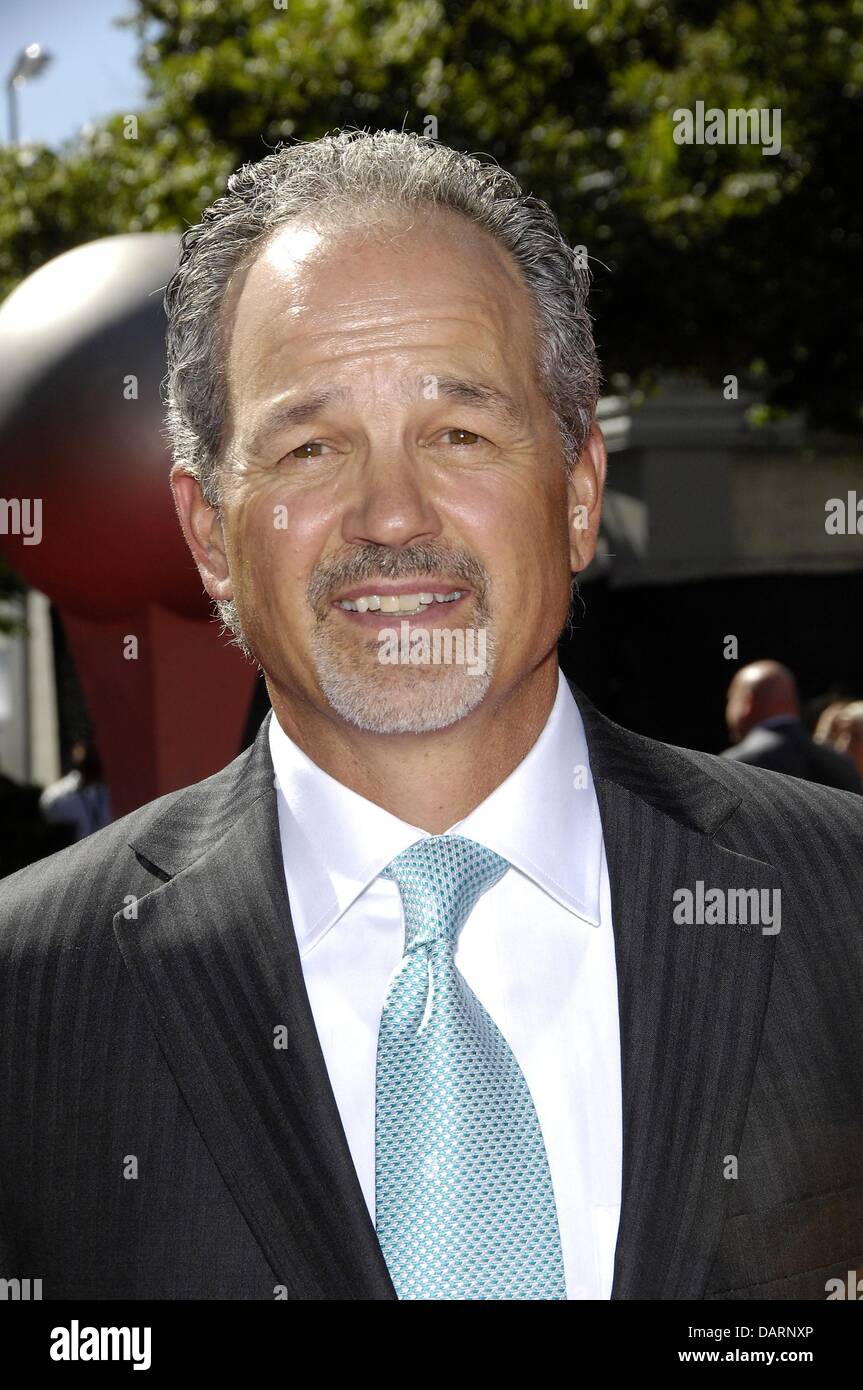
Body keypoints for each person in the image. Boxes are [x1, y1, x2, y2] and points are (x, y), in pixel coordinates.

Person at [0, 131, 861, 1302]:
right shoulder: (29, 987)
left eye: (458, 432)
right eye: (309, 446)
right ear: (209, 534)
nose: (391, 514)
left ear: (576, 495)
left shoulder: (838, 904)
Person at [722, 660, 861, 792]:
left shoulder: (736, 764)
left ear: (747, 702)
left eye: (731, 699)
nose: (844, 744)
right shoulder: (841, 764)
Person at [39, 738, 113, 842]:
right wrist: (74, 785)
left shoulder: (101, 792)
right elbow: (46, 804)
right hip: (79, 850)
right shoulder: (70, 790)